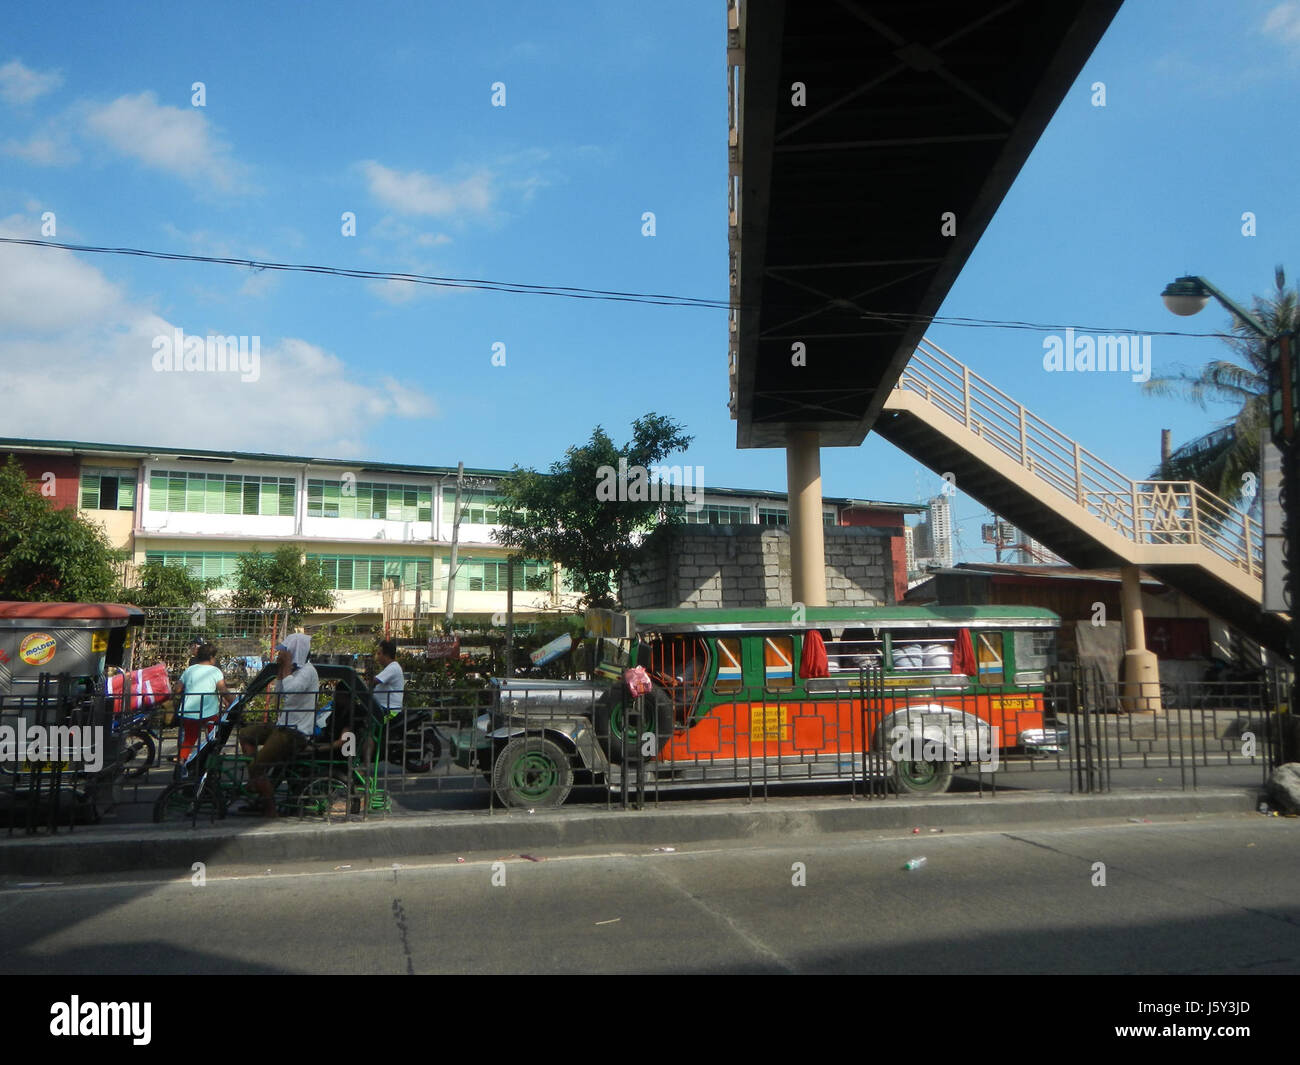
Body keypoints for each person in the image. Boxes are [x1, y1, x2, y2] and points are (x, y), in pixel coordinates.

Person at [236, 633, 320, 816]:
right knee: (246, 733)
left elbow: (292, 690)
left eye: (285, 651)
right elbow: (281, 692)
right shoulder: (294, 671)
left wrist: (287, 665)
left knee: (257, 767)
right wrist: (282, 670)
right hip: (282, 726)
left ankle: (268, 806)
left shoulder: (307, 671)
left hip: (295, 733)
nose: (280, 654)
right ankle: (258, 780)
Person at [173, 644, 231, 764]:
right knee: (214, 737)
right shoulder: (215, 671)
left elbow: (177, 689)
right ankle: (210, 761)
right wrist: (235, 702)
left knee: (189, 739)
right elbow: (223, 690)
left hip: (189, 711)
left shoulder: (189, 670)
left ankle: (181, 763)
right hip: (210, 712)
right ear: (211, 658)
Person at [370, 639, 405, 719]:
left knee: (358, 712)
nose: (377, 657)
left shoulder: (393, 667)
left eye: (379, 654)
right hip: (383, 708)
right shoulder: (390, 667)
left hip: (389, 711)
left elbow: (374, 681)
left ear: (386, 655)